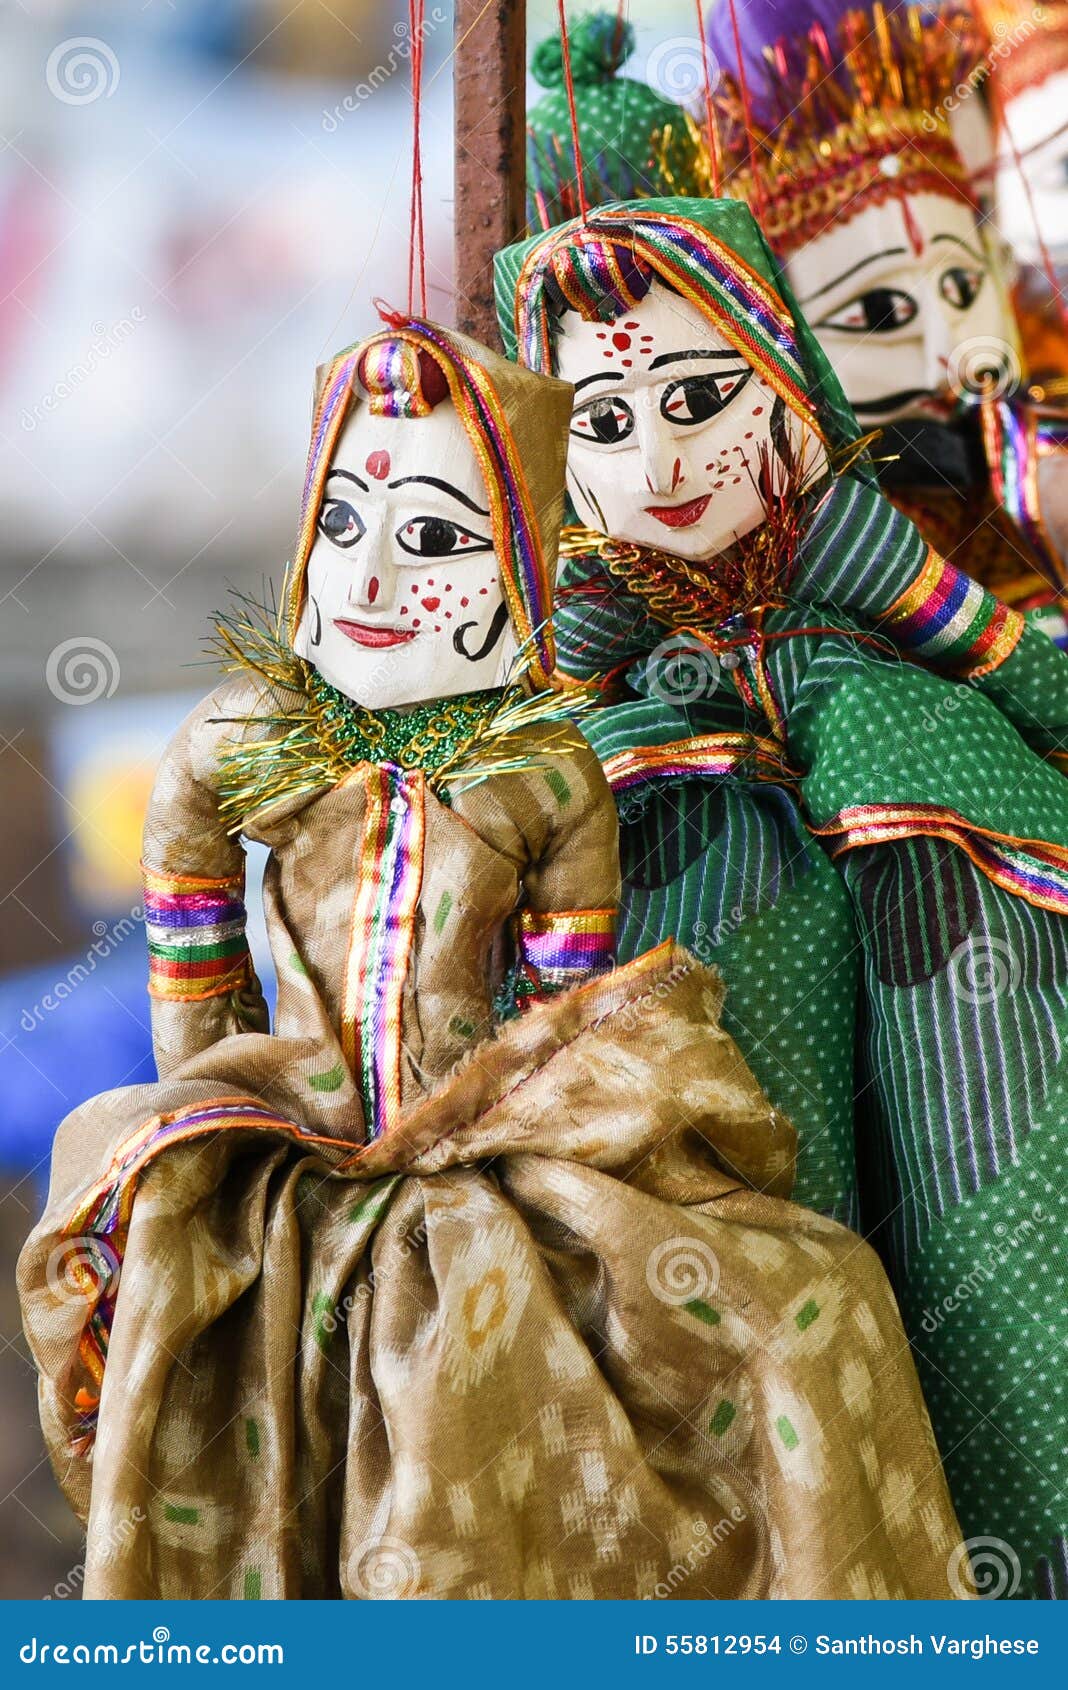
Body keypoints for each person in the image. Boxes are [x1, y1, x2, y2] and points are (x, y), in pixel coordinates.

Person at [19, 312, 964, 1600]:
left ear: (522, 572)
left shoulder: (543, 776)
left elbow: (565, 1014)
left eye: (433, 542)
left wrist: (533, 1125)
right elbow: (193, 944)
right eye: (342, 523)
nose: (366, 582)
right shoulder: (233, 740)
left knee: (804, 1297)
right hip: (286, 1145)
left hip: (494, 1129)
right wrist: (226, 1114)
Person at [496, 196, 1068, 1597]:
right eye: (605, 428)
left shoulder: (875, 587)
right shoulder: (597, 675)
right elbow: (501, 768)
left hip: (941, 897)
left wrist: (902, 580)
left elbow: (1046, 697)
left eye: (700, 397)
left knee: (989, 1237)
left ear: (785, 375)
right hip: (706, 896)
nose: (667, 459)